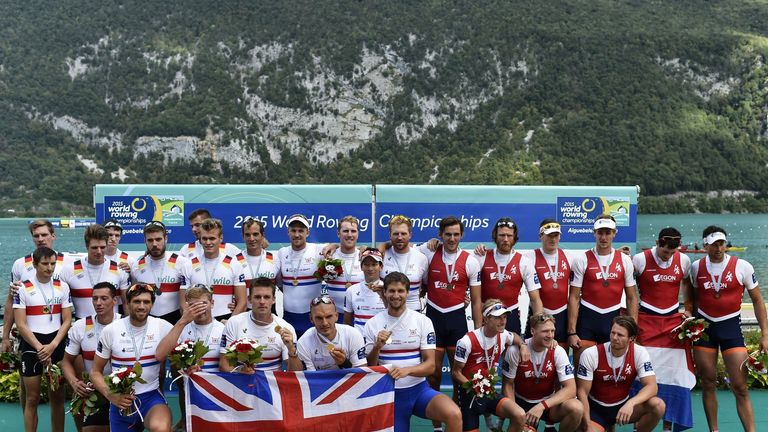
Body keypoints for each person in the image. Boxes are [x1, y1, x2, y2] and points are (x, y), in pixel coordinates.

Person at [690, 226, 768, 432]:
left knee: (740, 387)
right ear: (705, 245)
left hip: (731, 327)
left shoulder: (742, 266)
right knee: (708, 383)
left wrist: (765, 335)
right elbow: (694, 300)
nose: (718, 248)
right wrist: (692, 325)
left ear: (726, 244)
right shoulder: (696, 267)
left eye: (721, 243)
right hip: (705, 329)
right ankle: (714, 430)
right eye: (714, 244)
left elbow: (758, 300)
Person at [364, 272, 462, 432]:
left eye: (400, 291)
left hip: (419, 390)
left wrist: (406, 371)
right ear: (384, 293)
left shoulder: (422, 321)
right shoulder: (373, 324)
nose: (396, 295)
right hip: (389, 395)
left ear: (407, 293)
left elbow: (431, 366)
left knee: (454, 414)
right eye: (392, 291)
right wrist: (377, 347)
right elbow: (369, 367)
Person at [416, 216, 481, 422]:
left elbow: (477, 301)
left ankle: (455, 419)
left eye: (456, 234)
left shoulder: (470, 261)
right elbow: (399, 246)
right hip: (433, 318)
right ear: (440, 235)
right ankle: (436, 423)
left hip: (457, 320)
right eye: (448, 234)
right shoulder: (427, 251)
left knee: (457, 376)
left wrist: (478, 331)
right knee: (433, 374)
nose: (452, 239)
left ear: (461, 235)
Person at [632, 227, 694, 432]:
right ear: (657, 243)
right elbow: (628, 290)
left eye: (672, 252)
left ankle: (668, 425)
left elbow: (687, 283)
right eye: (665, 251)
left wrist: (688, 308)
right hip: (646, 323)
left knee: (673, 376)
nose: (668, 256)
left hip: (672, 326)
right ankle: (638, 423)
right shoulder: (640, 259)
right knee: (643, 374)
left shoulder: (683, 260)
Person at [91, 283, 174, 432]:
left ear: (152, 304)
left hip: (151, 399)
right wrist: (111, 395)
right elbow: (95, 371)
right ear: (127, 303)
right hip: (120, 402)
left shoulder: (163, 326)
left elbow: (186, 345)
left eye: (146, 302)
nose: (141, 306)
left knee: (160, 428)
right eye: (136, 301)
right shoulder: (111, 330)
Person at [13, 247, 73, 432]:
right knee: (32, 398)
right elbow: (21, 324)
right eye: (45, 264)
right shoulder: (22, 288)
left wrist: (53, 345)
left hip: (56, 343)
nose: (49, 267)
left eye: (53, 263)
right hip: (33, 346)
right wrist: (40, 348)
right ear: (35, 264)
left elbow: (67, 319)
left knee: (57, 398)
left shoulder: (62, 286)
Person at [568, 215, 638, 366]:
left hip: (612, 320)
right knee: (582, 370)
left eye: (608, 232)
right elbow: (573, 297)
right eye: (600, 232)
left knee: (608, 370)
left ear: (614, 233)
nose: (604, 237)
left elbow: (632, 297)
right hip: (587, 321)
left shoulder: (625, 260)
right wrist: (572, 332)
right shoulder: (582, 259)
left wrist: (632, 330)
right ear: (594, 233)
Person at [576, 316, 664, 432]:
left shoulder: (639, 352)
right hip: (595, 409)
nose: (614, 338)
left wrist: (631, 403)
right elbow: (582, 392)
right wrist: (587, 425)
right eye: (613, 333)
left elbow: (652, 387)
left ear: (631, 338)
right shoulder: (591, 354)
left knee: (658, 405)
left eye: (620, 335)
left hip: (622, 405)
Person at [156, 284, 224, 432]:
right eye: (193, 305)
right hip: (189, 393)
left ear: (212, 303)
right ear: (186, 306)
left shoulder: (224, 329)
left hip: (218, 394)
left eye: (203, 304)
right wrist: (185, 370)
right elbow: (164, 359)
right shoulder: (181, 329)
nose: (199, 309)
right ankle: (185, 419)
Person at [453, 299, 528, 432]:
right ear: (486, 319)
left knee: (520, 415)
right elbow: (456, 373)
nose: (503, 321)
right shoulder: (466, 341)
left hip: (490, 393)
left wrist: (523, 345)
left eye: (504, 317)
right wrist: (473, 386)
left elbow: (515, 336)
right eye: (498, 317)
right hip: (469, 396)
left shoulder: (503, 335)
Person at [502, 313, 582, 432]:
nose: (550, 336)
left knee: (577, 408)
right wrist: (516, 414)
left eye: (552, 331)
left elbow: (571, 389)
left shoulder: (558, 351)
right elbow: (508, 385)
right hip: (521, 403)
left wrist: (541, 406)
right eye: (545, 331)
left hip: (548, 405)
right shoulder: (515, 351)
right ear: (533, 331)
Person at [62, 281, 118, 432]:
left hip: (122, 389)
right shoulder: (80, 327)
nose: (98, 303)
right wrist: (74, 382)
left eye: (104, 298)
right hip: (95, 390)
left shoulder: (125, 323)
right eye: (95, 298)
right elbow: (66, 362)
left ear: (115, 301)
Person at [473, 217, 542, 332]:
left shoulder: (524, 262)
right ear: (495, 236)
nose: (505, 239)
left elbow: (535, 300)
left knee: (513, 349)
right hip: (487, 315)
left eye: (509, 236)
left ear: (515, 238)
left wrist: (540, 325)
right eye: (501, 235)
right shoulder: (481, 256)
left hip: (511, 315)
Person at [219, 277, 302, 372]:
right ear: (249, 299)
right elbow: (223, 364)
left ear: (274, 299)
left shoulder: (286, 328)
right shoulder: (234, 323)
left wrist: (291, 350)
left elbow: (297, 374)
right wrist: (240, 371)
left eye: (266, 297)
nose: (262, 302)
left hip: (272, 385)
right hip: (242, 382)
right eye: (257, 297)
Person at [59, 224, 129, 320]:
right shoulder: (68, 271)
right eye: (94, 248)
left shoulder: (120, 270)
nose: (99, 251)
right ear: (87, 246)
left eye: (102, 247)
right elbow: (62, 307)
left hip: (112, 329)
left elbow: (126, 304)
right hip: (83, 330)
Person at [275, 214, 328, 337]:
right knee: (290, 353)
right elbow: (280, 284)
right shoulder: (282, 253)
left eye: (301, 231)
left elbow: (338, 248)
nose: (297, 234)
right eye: (293, 230)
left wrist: (333, 246)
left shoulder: (318, 250)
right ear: (288, 232)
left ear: (307, 232)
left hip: (313, 316)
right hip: (288, 316)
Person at [185, 218, 246, 321]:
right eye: (204, 238)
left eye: (212, 238)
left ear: (220, 238)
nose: (208, 242)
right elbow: (183, 303)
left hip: (225, 320)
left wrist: (229, 324)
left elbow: (242, 303)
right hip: (197, 320)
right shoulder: (189, 265)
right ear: (200, 239)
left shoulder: (234, 264)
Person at [523, 220, 572, 347]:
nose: (553, 239)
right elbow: (507, 257)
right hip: (537, 313)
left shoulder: (569, 256)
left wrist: (617, 252)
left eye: (556, 235)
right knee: (533, 352)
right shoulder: (529, 257)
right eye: (549, 235)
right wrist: (485, 252)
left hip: (562, 315)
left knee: (560, 353)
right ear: (541, 236)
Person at [130, 221, 191, 324]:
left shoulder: (182, 263)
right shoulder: (137, 266)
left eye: (158, 239)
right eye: (150, 240)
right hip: (148, 320)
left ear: (166, 239)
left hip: (175, 318)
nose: (154, 244)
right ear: (145, 241)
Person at [295, 294, 367, 371]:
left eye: (329, 316)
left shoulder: (353, 334)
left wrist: (345, 363)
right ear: (311, 319)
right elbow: (310, 379)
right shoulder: (303, 342)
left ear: (336, 316)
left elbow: (361, 374)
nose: (325, 323)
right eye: (319, 318)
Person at [381, 215, 428, 311]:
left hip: (414, 312)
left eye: (403, 233)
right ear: (390, 235)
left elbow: (426, 285)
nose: (399, 237)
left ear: (410, 234)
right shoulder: (382, 255)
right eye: (395, 234)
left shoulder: (421, 258)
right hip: (386, 312)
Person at [324, 216, 365, 321]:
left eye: (353, 231)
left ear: (358, 234)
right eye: (345, 231)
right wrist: (334, 245)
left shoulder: (365, 256)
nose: (350, 235)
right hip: (333, 316)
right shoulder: (329, 255)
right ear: (338, 233)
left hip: (359, 316)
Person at [344, 248, 387, 332]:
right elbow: (347, 322)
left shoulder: (388, 289)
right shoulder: (351, 290)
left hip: (382, 339)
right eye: (366, 265)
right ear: (361, 267)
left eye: (374, 264)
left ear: (381, 267)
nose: (370, 268)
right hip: (359, 340)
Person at [238, 218, 278, 293]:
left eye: (255, 234)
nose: (251, 238)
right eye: (247, 235)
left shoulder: (275, 259)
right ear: (243, 236)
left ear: (262, 235)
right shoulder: (235, 261)